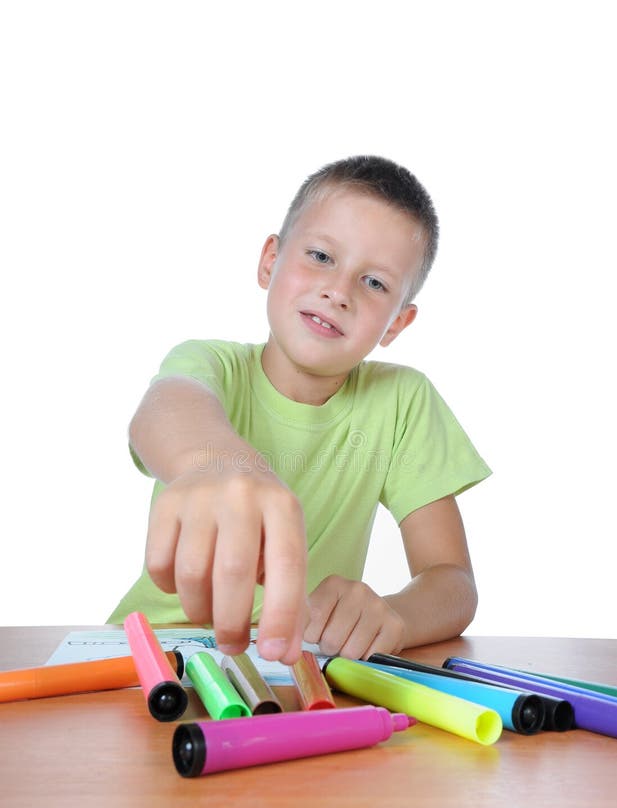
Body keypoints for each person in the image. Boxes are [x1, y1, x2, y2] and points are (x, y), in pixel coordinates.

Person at [108, 155, 491, 665]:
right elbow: (166, 410)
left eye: (374, 283)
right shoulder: (209, 363)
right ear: (270, 261)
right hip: (150, 654)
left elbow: (453, 581)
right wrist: (216, 464)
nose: (338, 292)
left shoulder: (404, 401)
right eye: (321, 256)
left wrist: (392, 615)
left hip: (296, 664)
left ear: (397, 323)